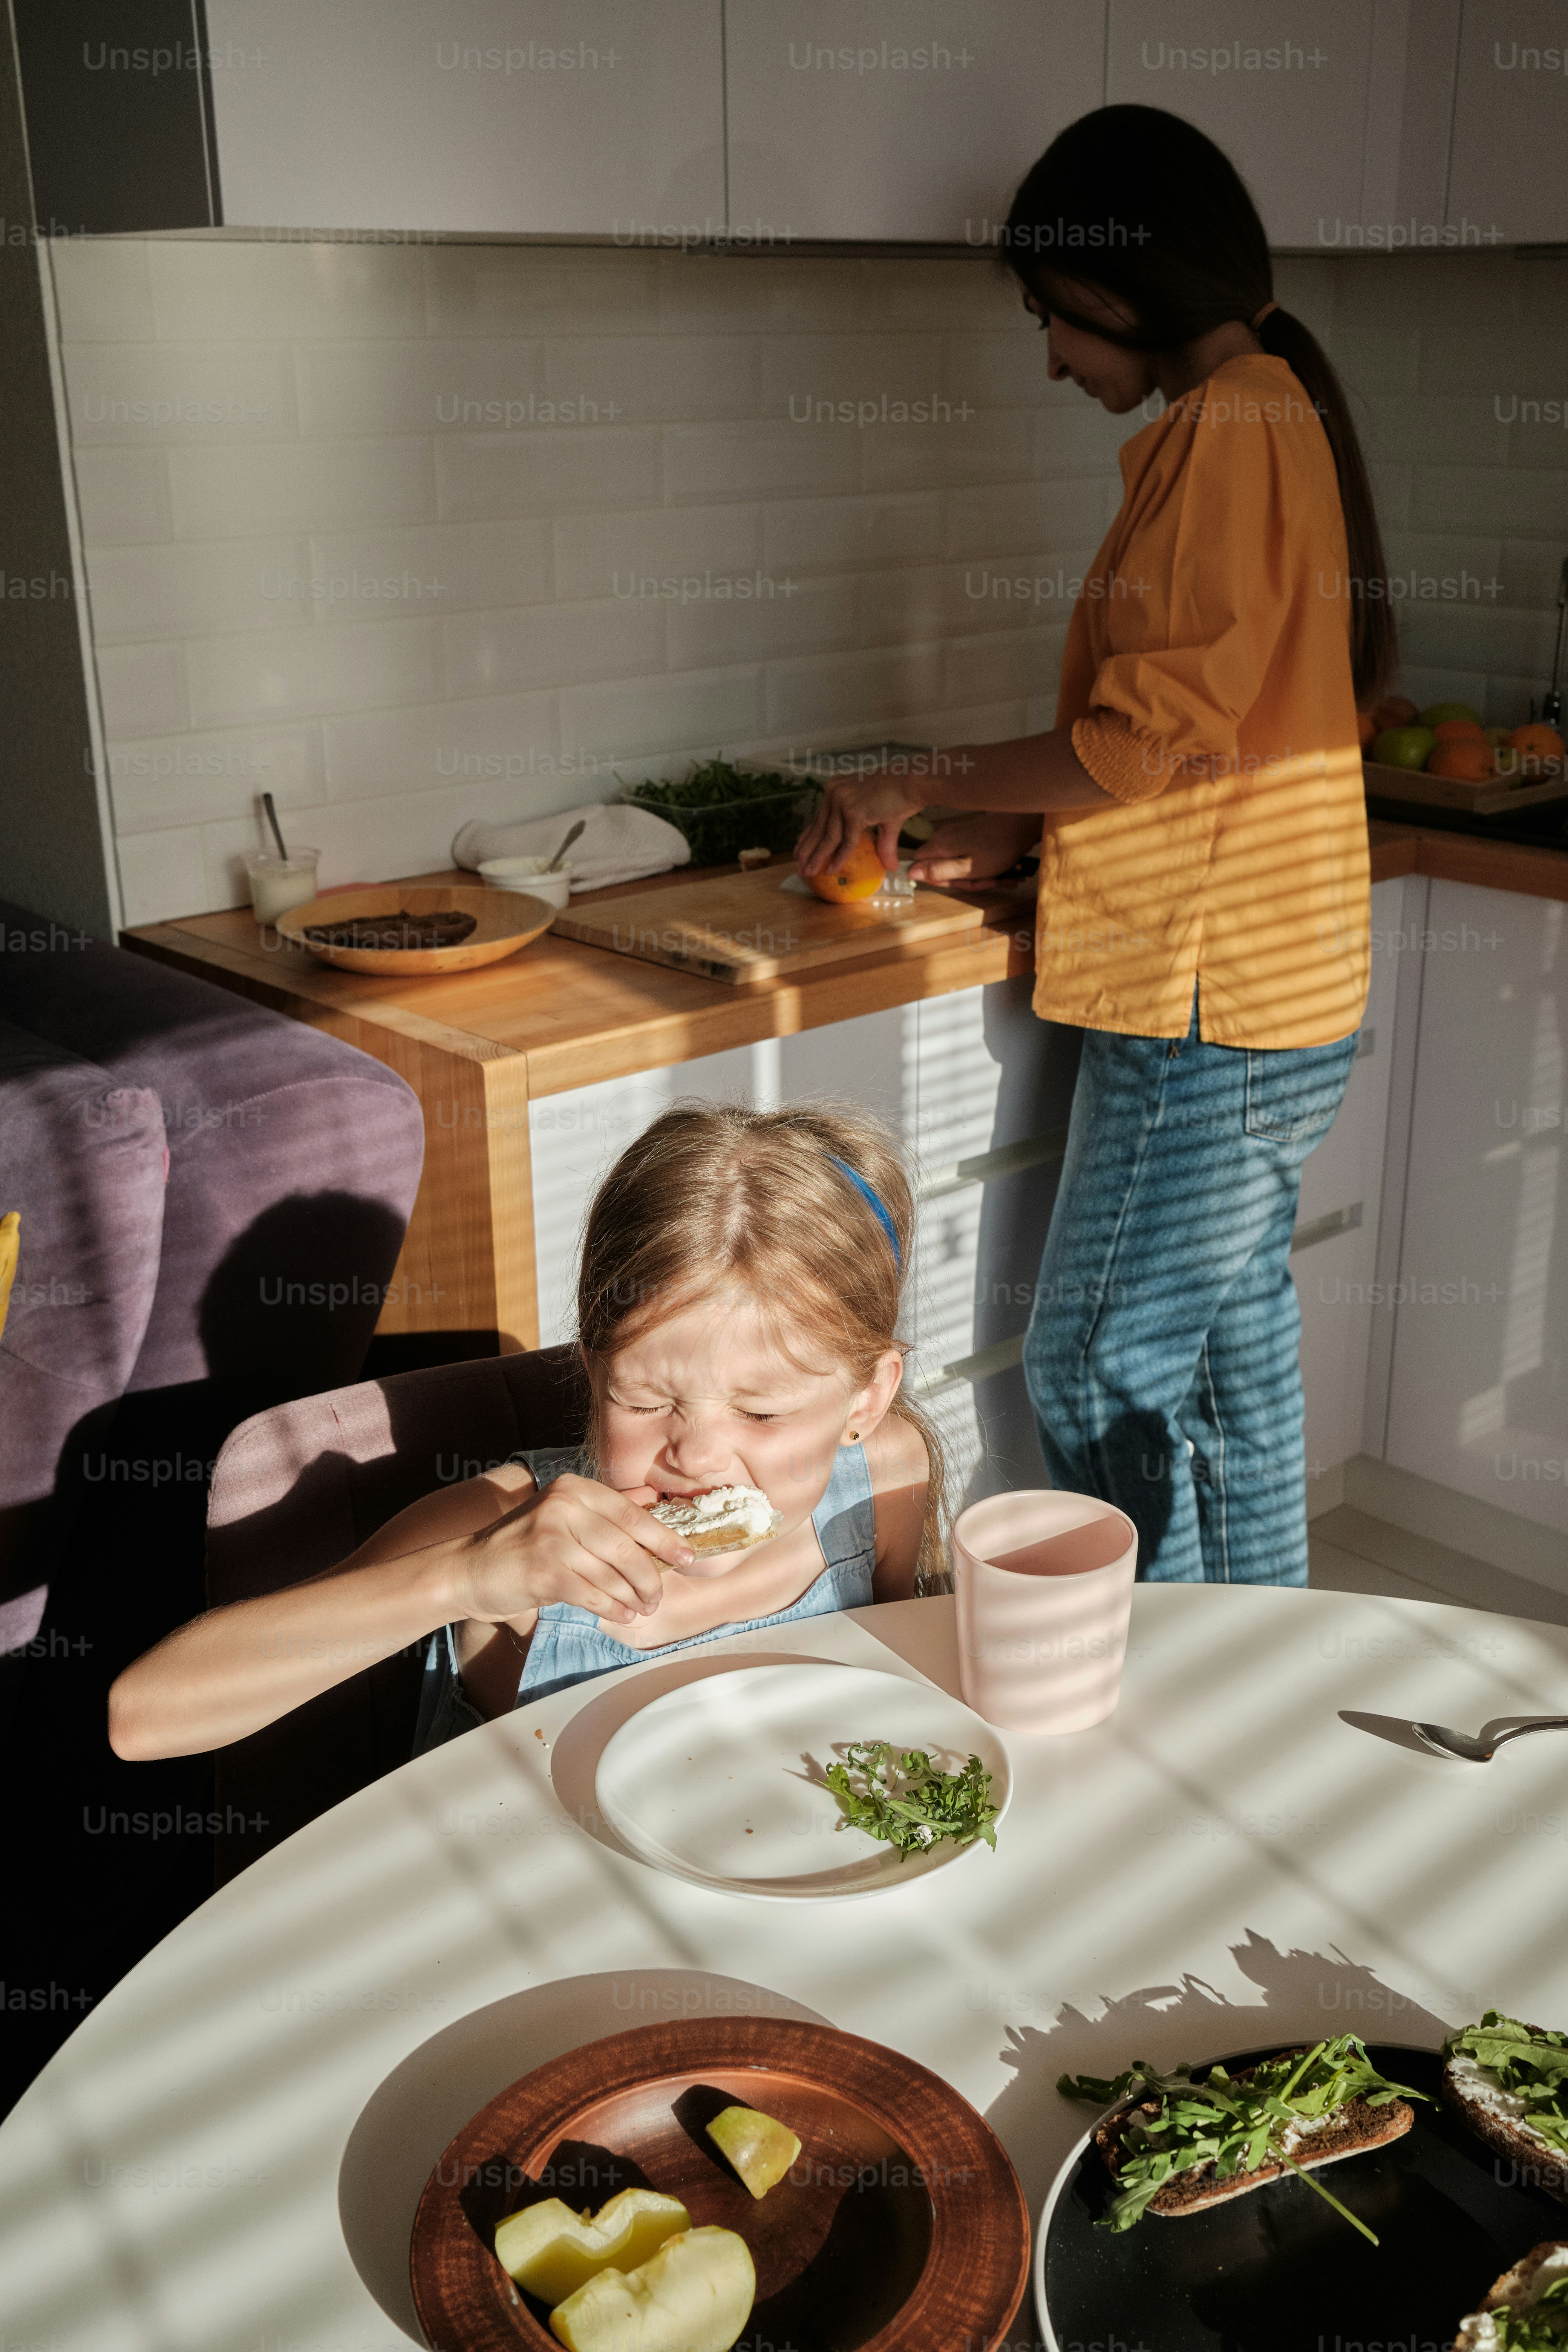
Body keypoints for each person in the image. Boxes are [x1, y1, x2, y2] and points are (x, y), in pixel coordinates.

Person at [796, 105, 1393, 1588]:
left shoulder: (1230, 430)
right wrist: (1004, 834)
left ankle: (1171, 1665)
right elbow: (1198, 749)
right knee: (1229, 1347)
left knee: (1087, 1367)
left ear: (1117, 288)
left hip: (1206, 1009)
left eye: (1049, 317)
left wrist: (911, 776)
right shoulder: (1260, 416)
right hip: (1271, 984)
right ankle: (1253, 1654)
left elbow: (1146, 741)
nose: (1052, 357)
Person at [107, 1107, 939, 1761]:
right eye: (645, 1401)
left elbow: (907, 1707)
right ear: (593, 1373)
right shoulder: (505, 1528)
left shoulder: (886, 1481)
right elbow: (144, 1717)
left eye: (760, 1412)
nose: (698, 1455)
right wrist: (464, 1579)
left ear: (867, 1397)